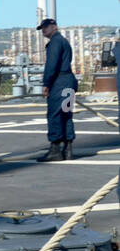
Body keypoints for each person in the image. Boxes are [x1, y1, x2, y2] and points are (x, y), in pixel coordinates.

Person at [36, 18, 78, 161]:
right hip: (69, 81)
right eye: (42, 28)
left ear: (55, 27)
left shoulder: (54, 42)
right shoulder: (64, 41)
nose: (44, 30)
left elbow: (51, 65)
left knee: (54, 114)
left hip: (59, 83)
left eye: (46, 27)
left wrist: (46, 84)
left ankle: (55, 150)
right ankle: (68, 149)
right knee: (66, 114)